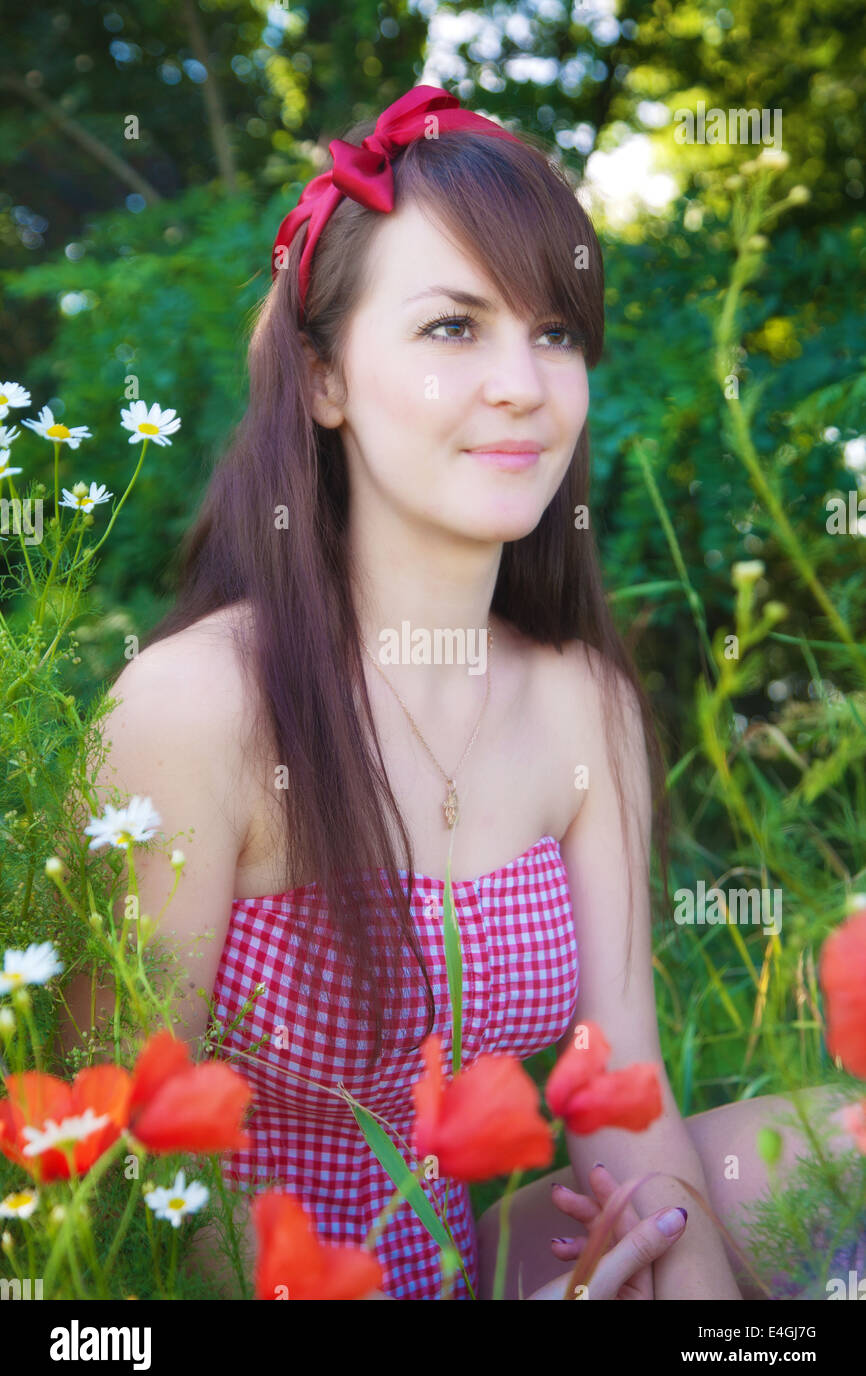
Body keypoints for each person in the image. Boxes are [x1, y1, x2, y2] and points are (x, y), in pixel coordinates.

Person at [64, 85, 856, 1301]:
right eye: (452, 328)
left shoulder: (577, 700)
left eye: (552, 333)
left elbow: (616, 1079)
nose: (523, 385)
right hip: (241, 1284)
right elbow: (121, 1173)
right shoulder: (192, 709)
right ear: (323, 380)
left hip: (468, 1266)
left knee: (841, 1150)